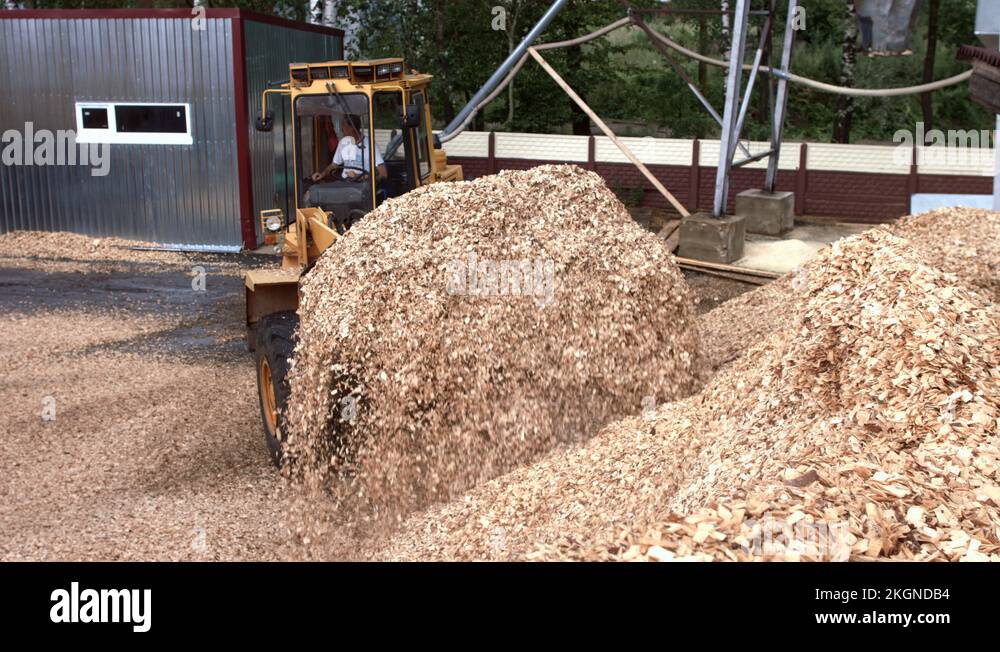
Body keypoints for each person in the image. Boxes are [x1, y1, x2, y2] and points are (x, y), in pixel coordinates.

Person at [311, 114, 387, 182]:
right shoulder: (343, 143)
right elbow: (334, 165)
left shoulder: (370, 144)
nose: (341, 130)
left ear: (352, 127)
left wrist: (360, 177)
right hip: (345, 182)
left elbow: (383, 174)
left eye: (343, 126)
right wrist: (322, 174)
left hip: (362, 185)